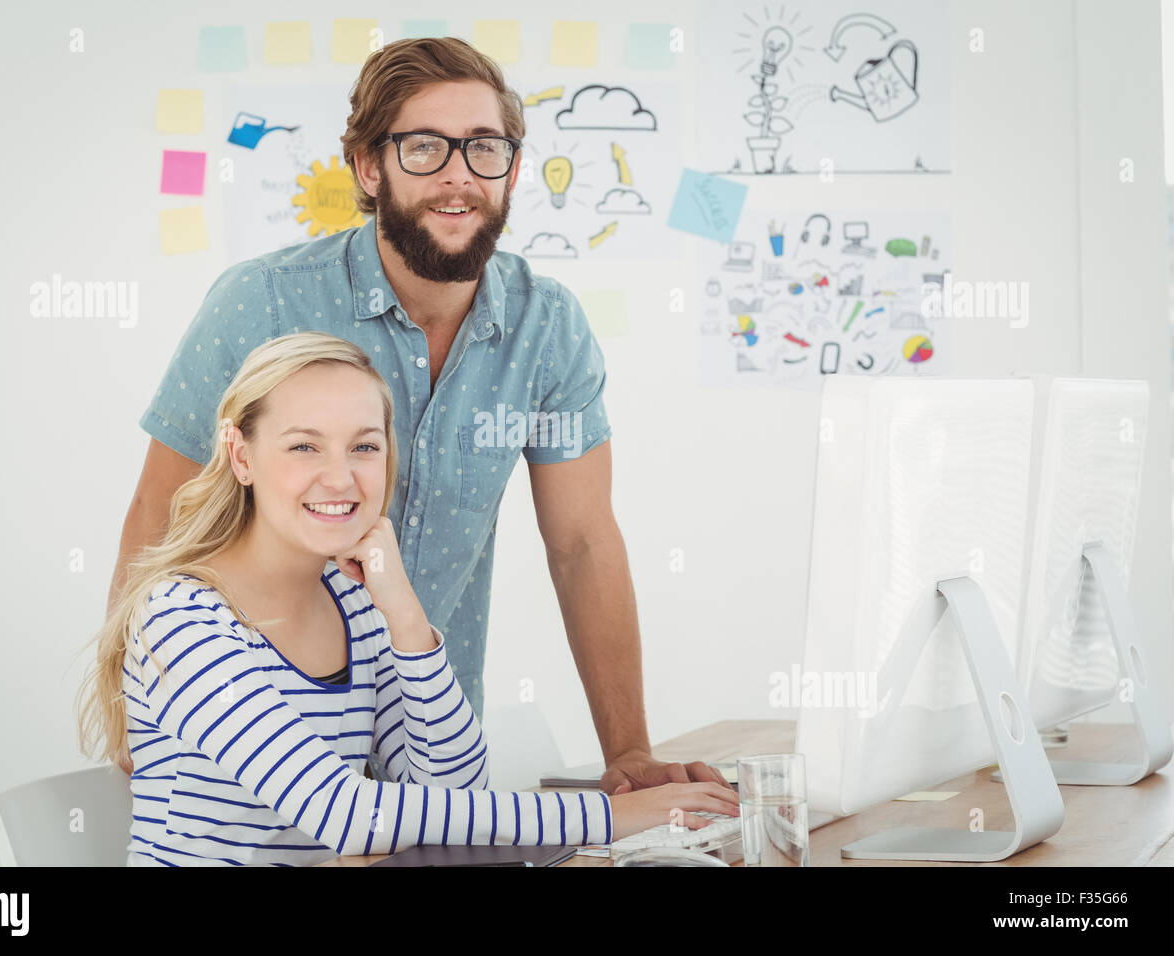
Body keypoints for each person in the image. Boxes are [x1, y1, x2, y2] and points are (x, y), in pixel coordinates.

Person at [109, 35, 728, 795]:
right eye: (425, 148)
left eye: (484, 149)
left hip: (431, 747)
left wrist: (628, 753)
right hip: (259, 733)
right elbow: (158, 510)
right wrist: (129, 705)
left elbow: (582, 543)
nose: (458, 176)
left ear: (513, 168)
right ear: (371, 167)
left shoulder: (548, 329)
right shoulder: (263, 301)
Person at [78, 333, 739, 865]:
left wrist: (405, 615)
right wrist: (609, 816)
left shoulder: (351, 598)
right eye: (303, 445)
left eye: (364, 446)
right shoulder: (182, 619)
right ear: (240, 455)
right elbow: (344, 814)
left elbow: (452, 789)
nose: (340, 476)